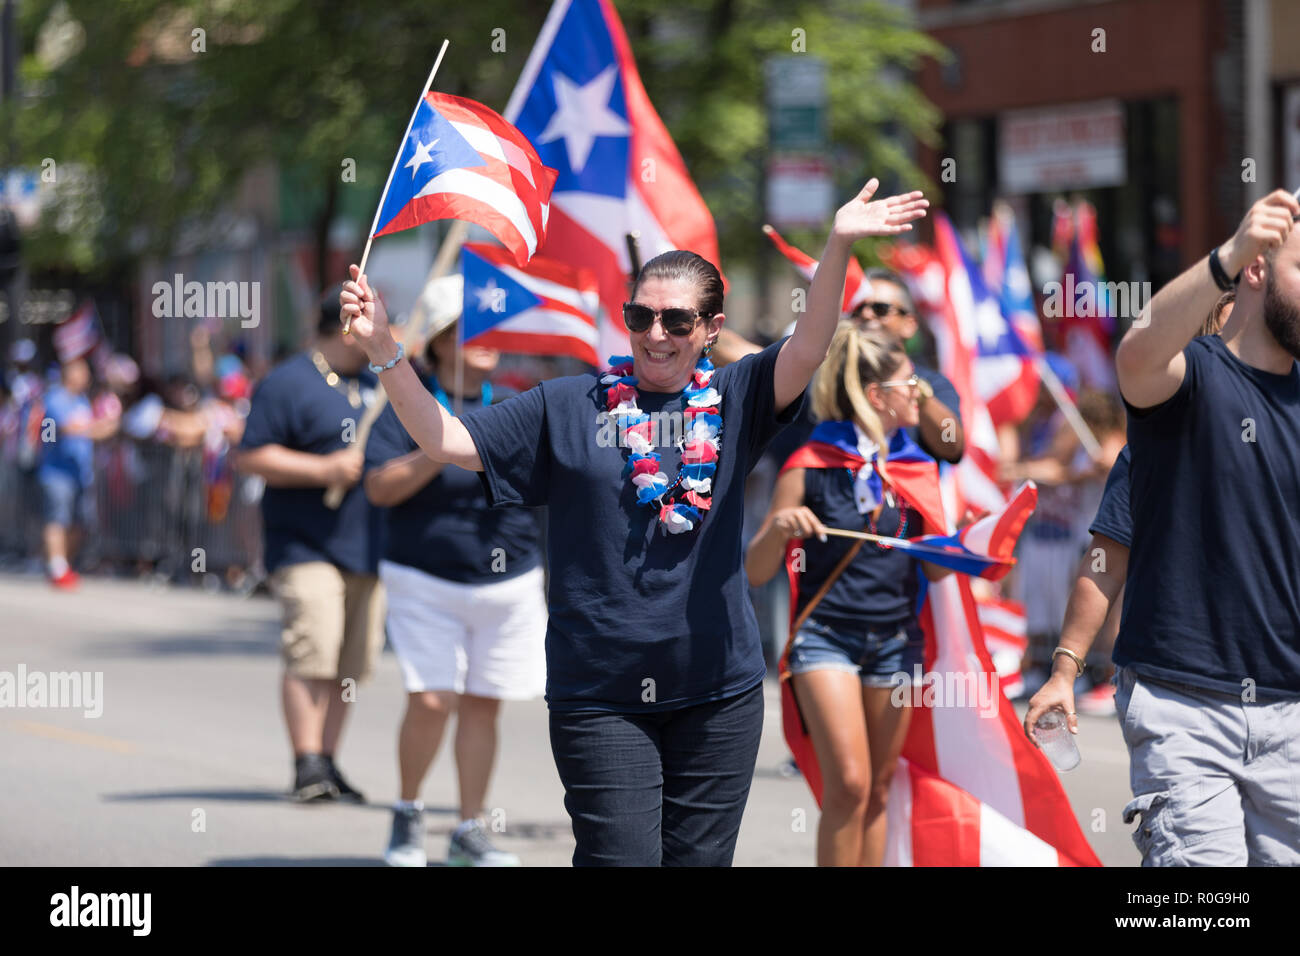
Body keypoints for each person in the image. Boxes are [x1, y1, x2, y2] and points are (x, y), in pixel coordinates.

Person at [341, 179, 929, 866]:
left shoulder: (738, 399)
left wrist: (839, 243)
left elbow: (809, 345)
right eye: (640, 316)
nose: (657, 334)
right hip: (600, 693)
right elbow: (447, 441)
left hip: (718, 692)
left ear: (711, 329)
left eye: (677, 321)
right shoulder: (566, 403)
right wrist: (385, 349)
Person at [1108, 187, 1300, 865]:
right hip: (1184, 706)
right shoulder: (1190, 380)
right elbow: (1136, 353)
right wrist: (1225, 253)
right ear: (1256, 270)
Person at [745, 324, 952, 866]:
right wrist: (780, 528)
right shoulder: (810, 462)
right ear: (878, 396)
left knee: (881, 789)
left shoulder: (916, 467)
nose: (922, 395)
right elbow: (756, 570)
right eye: (913, 385)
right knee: (851, 787)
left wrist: (968, 544)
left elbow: (935, 575)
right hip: (824, 640)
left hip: (898, 643)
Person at [364, 277, 546, 868]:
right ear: (440, 341)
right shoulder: (407, 398)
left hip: (510, 578)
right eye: (470, 328)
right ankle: (409, 813)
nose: (487, 339)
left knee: (483, 702)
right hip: (424, 575)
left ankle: (469, 828)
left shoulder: (521, 397)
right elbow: (379, 487)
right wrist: (440, 441)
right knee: (433, 699)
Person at [1024, 293, 1234, 730]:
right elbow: (1103, 564)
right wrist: (1064, 671)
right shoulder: (1148, 453)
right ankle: (1097, 674)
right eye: (1227, 341)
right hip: (1175, 692)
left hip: (1278, 696)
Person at [236, 290, 385, 803]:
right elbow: (251, 455)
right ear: (345, 327)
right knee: (313, 649)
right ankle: (305, 763)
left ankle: (327, 760)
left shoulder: (376, 384)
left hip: (366, 545)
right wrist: (322, 469)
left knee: (349, 665)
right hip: (305, 545)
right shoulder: (288, 381)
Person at [38, 356, 119, 589]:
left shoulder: (82, 401)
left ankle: (63, 564)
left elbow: (94, 432)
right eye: (82, 372)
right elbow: (68, 428)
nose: (87, 376)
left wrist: (110, 426)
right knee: (57, 519)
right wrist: (100, 427)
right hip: (56, 473)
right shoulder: (55, 399)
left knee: (79, 523)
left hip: (80, 474)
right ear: (70, 374)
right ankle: (57, 567)